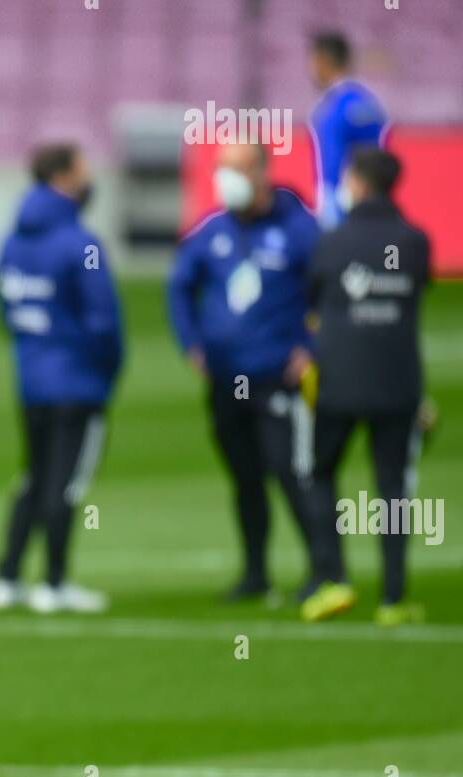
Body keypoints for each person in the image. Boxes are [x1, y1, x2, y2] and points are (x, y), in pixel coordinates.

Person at [168, 142, 320, 600]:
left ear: (260, 171)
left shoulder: (300, 229)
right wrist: (191, 343)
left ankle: (323, 569)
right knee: (244, 477)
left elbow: (329, 290)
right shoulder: (211, 232)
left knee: (291, 472)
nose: (223, 178)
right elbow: (179, 286)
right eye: (219, 168)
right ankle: (255, 572)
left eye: (233, 169)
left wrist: (310, 347)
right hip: (225, 377)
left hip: (277, 375)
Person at [0, 143, 123, 614]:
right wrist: (106, 370)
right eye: (83, 171)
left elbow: (7, 306)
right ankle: (54, 582)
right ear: (64, 176)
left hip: (32, 378)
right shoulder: (82, 245)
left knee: (34, 476)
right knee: (67, 484)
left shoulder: (11, 241)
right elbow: (103, 321)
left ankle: (6, 577)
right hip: (77, 380)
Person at [302, 147, 431, 624]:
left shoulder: (331, 241)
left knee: (319, 473)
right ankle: (394, 598)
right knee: (393, 487)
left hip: (337, 381)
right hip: (398, 382)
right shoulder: (414, 240)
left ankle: (334, 579)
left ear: (355, 182)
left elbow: (311, 298)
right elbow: (415, 293)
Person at [308, 31, 388, 229]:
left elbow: (332, 159)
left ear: (323, 60)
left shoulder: (332, 107)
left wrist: (330, 202)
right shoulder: (369, 102)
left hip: (340, 201)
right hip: (374, 196)